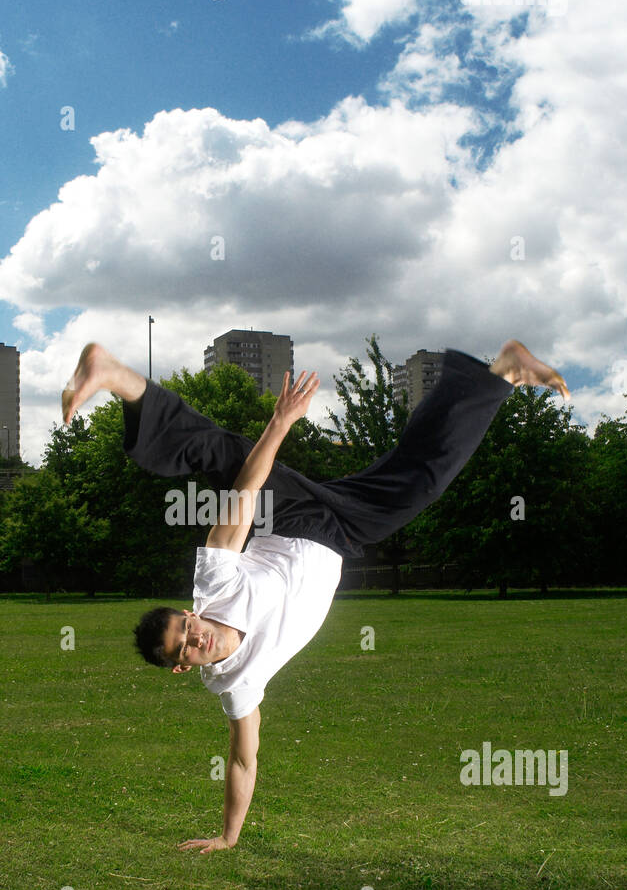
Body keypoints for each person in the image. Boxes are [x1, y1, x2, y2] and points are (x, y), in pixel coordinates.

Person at [62, 338, 569, 854]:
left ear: (191, 614)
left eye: (187, 627)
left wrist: (280, 423)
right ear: (181, 667)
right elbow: (242, 760)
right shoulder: (234, 685)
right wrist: (228, 837)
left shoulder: (214, 585)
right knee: (422, 480)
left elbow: (245, 494)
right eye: (184, 649)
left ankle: (115, 375)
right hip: (342, 532)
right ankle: (502, 373)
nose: (197, 639)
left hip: (291, 516)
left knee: (224, 457)